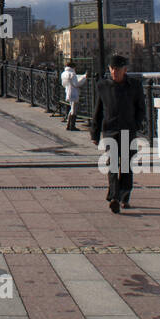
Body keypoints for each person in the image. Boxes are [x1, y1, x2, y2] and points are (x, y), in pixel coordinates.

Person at [90, 54, 147, 213]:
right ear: (109, 69)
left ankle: (124, 196)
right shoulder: (103, 86)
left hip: (128, 130)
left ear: (125, 70)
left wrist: (135, 125)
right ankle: (114, 197)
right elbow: (98, 111)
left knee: (127, 165)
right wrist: (94, 133)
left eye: (118, 69)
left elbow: (141, 109)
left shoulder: (134, 85)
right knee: (113, 164)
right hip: (111, 131)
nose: (115, 72)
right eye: (113, 69)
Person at [61, 62, 86, 130]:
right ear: (73, 67)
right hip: (74, 93)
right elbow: (76, 84)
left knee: (71, 109)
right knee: (74, 110)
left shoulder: (63, 74)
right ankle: (72, 126)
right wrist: (84, 77)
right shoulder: (72, 73)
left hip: (68, 91)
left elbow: (63, 84)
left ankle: (68, 125)